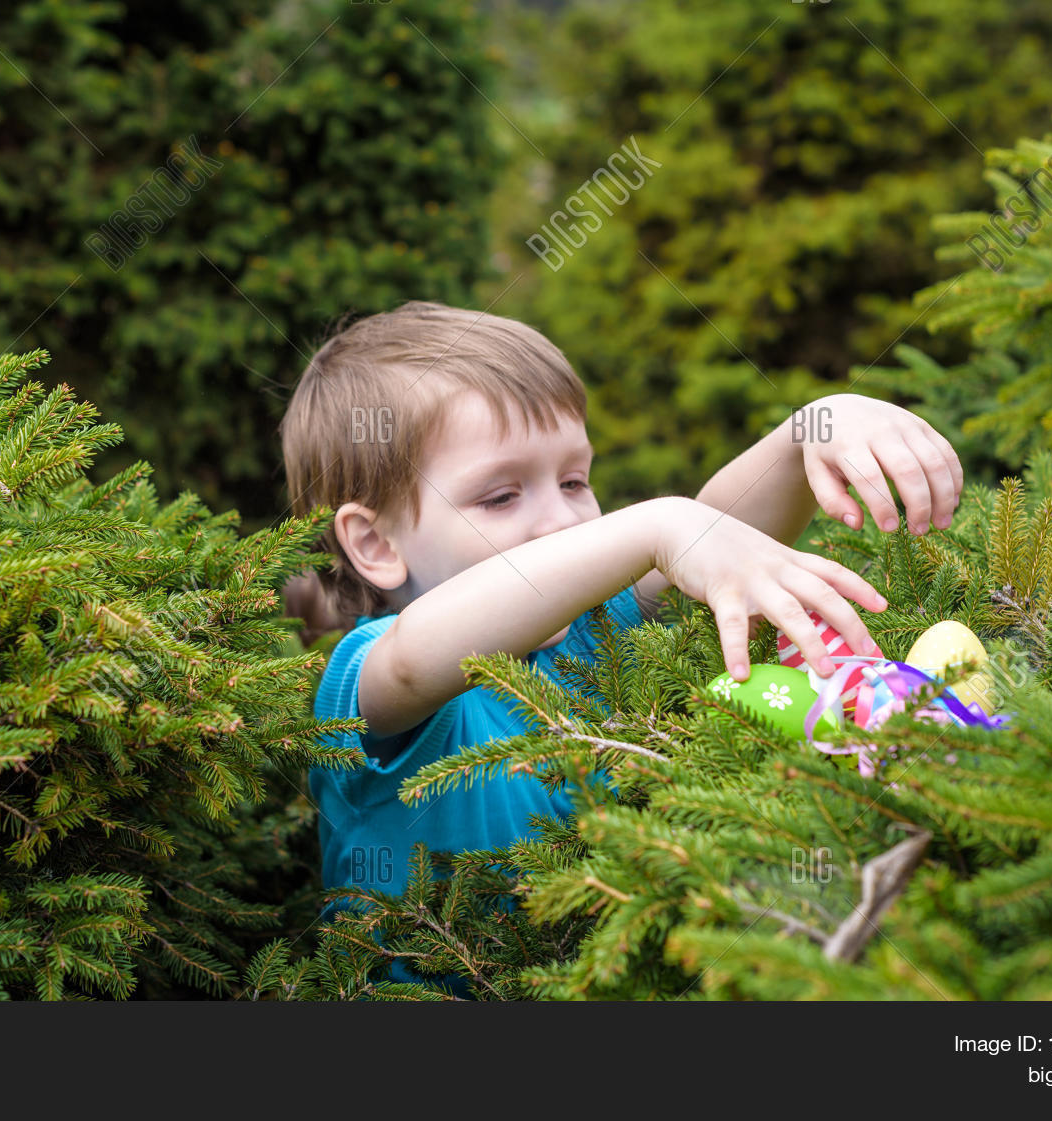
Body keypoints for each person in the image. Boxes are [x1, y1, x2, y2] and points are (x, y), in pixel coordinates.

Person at [278, 300, 961, 991]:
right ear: (375, 542)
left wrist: (810, 428)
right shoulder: (365, 682)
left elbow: (713, 532)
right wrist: (658, 524)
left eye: (574, 480)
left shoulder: (591, 633)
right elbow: (418, 653)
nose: (564, 518)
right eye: (501, 495)